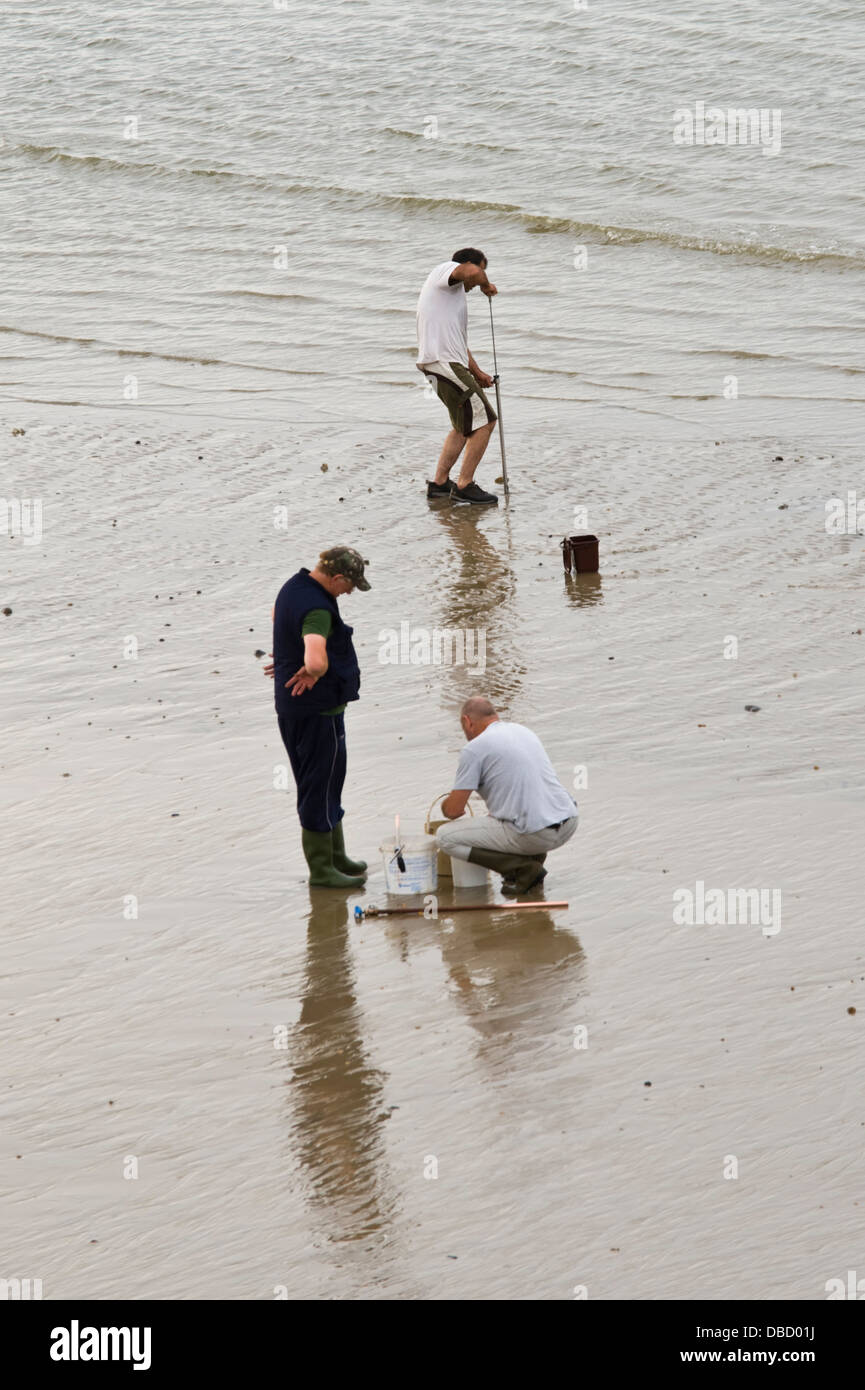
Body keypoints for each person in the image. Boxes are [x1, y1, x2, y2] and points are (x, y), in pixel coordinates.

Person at [270, 547, 371, 888]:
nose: (351, 592)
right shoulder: (317, 608)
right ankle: (322, 871)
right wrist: (314, 670)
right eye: (350, 585)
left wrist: (286, 653)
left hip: (295, 709)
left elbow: (278, 618)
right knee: (320, 784)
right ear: (337, 577)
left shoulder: (293, 587)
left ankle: (335, 856)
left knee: (326, 780)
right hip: (317, 712)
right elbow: (315, 660)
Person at [435, 697, 578, 896]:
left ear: (467, 721)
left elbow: (453, 811)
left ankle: (522, 870)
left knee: (444, 837)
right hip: (568, 822)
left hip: (536, 834)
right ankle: (532, 863)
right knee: (518, 813)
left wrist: (445, 804)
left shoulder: (474, 749)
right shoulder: (523, 732)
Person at [416, 248, 499, 506]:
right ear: (465, 263)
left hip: (444, 363)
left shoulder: (453, 297)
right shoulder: (444, 271)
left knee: (463, 426)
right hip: (443, 362)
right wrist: (486, 283)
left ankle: (440, 484)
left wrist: (477, 372)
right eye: (481, 269)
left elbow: (459, 343)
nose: (476, 283)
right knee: (486, 421)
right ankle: (464, 485)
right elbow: (473, 272)